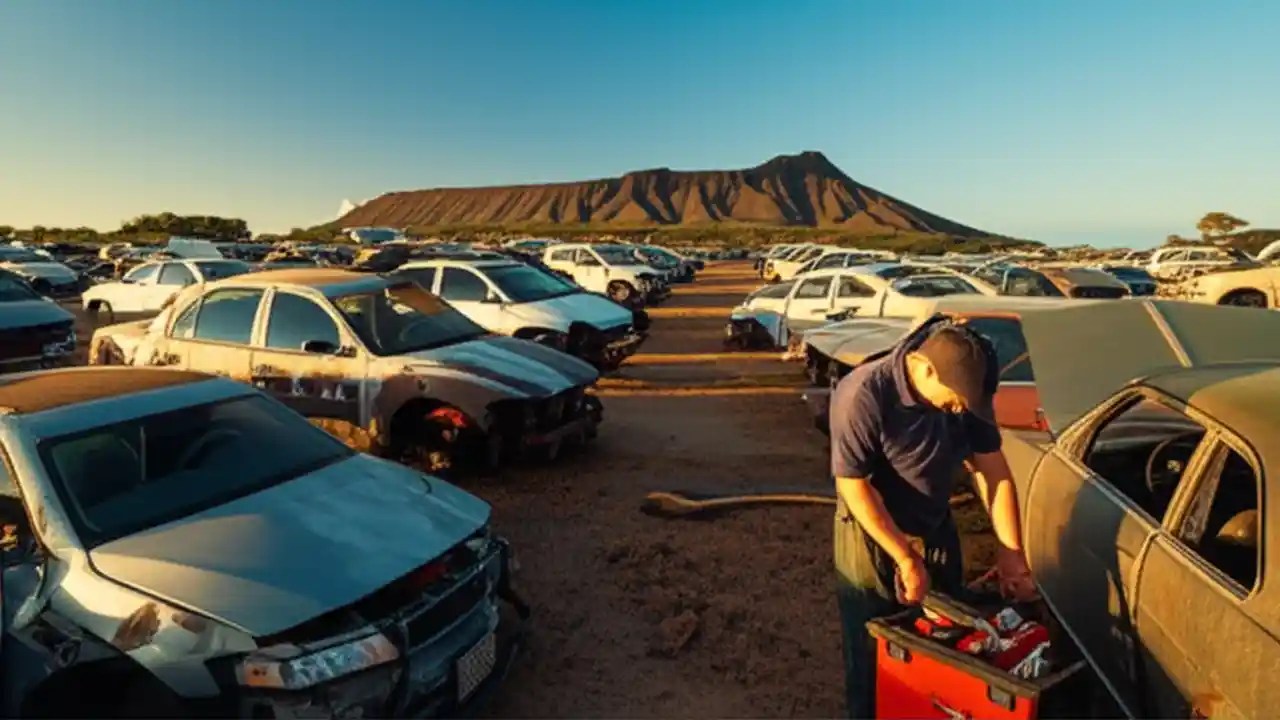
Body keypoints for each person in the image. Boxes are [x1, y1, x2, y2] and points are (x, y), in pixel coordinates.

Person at [829, 314, 1038, 719]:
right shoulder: (865, 394)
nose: (961, 410)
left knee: (947, 635)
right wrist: (904, 557)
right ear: (925, 369)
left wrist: (1011, 551)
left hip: (935, 523)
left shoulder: (968, 394)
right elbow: (854, 486)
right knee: (873, 648)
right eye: (956, 400)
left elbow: (994, 473)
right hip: (872, 531)